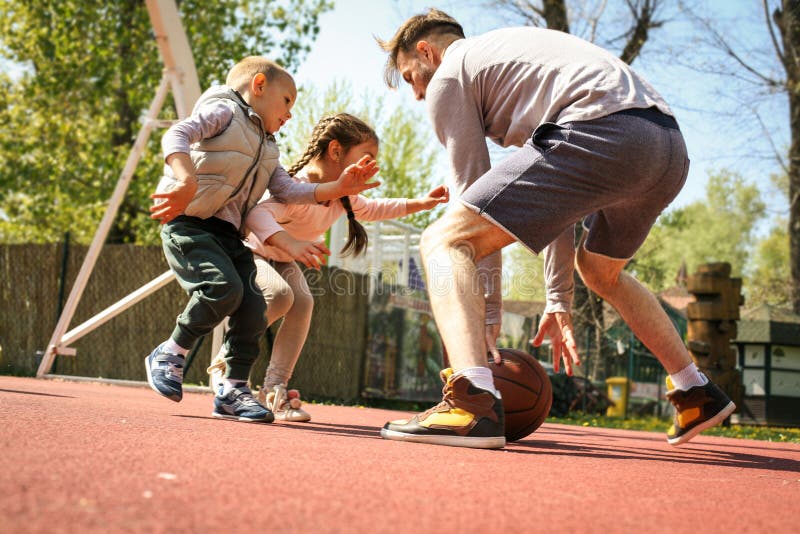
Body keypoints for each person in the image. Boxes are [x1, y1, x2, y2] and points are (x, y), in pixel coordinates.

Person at [376, 9, 736, 449]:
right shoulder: (512, 60)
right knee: (601, 272)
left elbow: (470, 206)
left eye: (412, 77)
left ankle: (470, 401)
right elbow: (554, 205)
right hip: (665, 146)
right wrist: (557, 299)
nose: (416, 94)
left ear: (426, 52)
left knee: (442, 239)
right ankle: (693, 388)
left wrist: (488, 316)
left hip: (604, 128)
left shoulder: (449, 75)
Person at [145, 57, 379, 423]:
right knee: (223, 290)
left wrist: (337, 188)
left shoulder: (269, 148)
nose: (289, 114)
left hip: (227, 233)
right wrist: (185, 179)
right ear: (258, 86)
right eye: (286, 101)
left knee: (255, 304)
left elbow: (287, 190)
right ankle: (170, 352)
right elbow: (176, 134)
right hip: (188, 222)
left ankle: (232, 389)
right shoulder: (223, 111)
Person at [206, 112, 449, 421]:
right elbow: (256, 217)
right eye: (367, 157)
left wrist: (421, 203)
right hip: (249, 253)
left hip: (281, 258)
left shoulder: (342, 198)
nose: (372, 166)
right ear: (336, 152)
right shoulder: (299, 187)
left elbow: (375, 208)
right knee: (280, 295)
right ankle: (228, 361)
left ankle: (274, 389)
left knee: (303, 302)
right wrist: (290, 243)